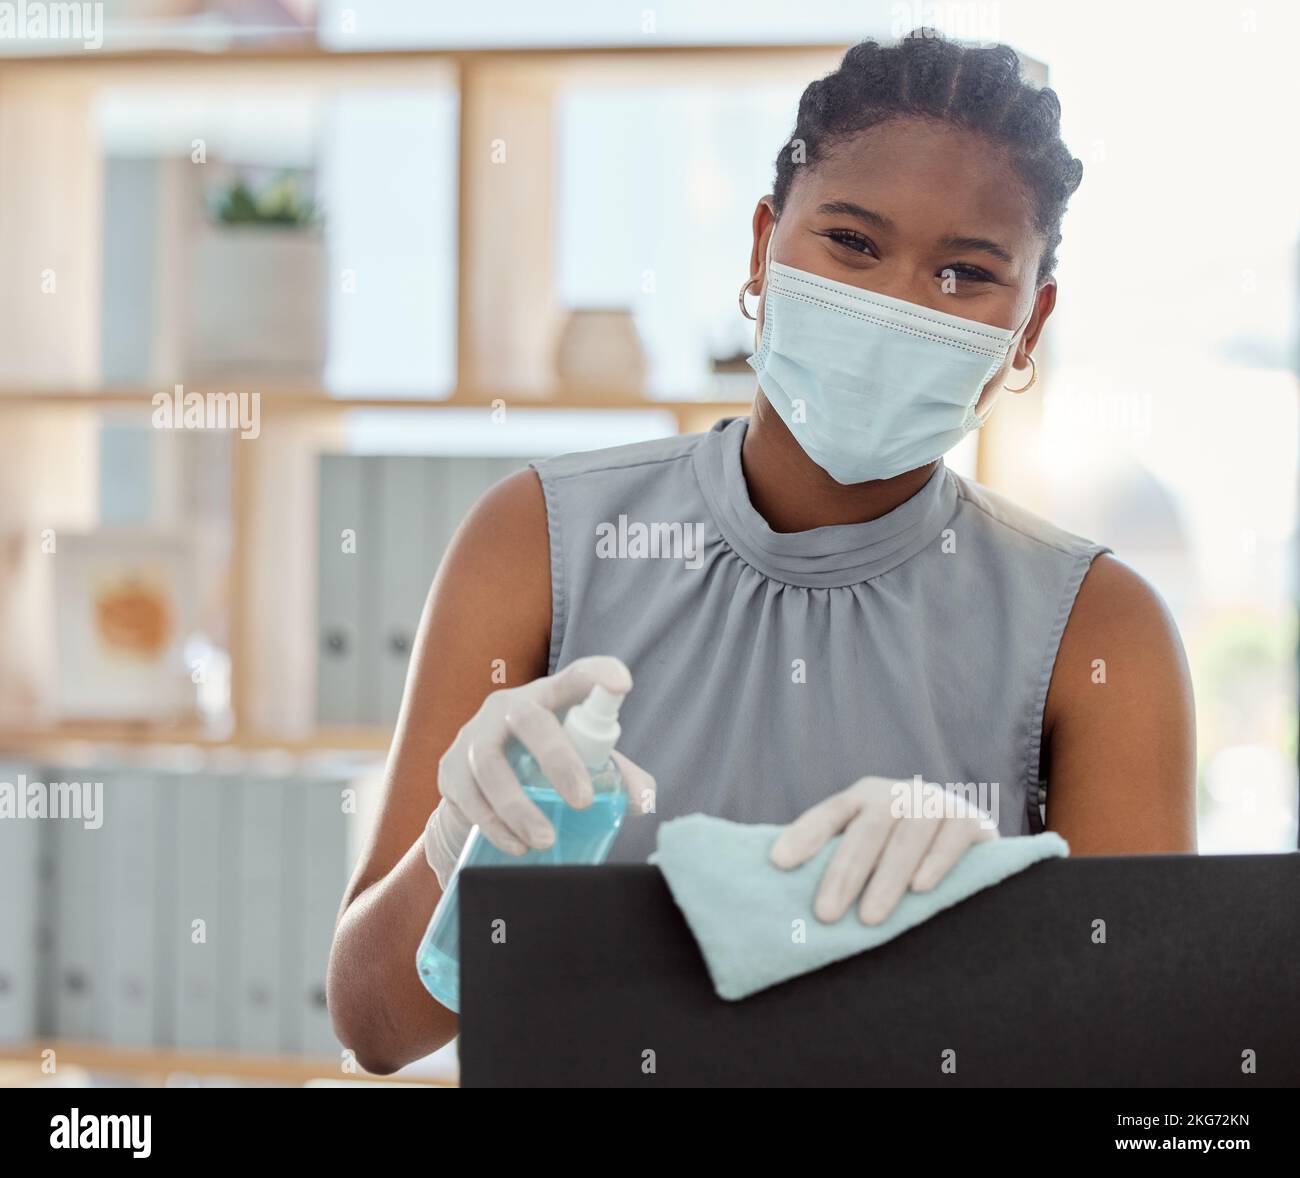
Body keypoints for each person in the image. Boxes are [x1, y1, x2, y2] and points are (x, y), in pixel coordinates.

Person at [328, 30, 1196, 1073]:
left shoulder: (1096, 629)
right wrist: (460, 846)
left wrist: (1000, 913)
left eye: (965, 273)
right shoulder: (536, 540)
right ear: (760, 246)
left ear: (1028, 326)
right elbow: (377, 1026)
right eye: (852, 243)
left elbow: (1157, 1083)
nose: (897, 305)